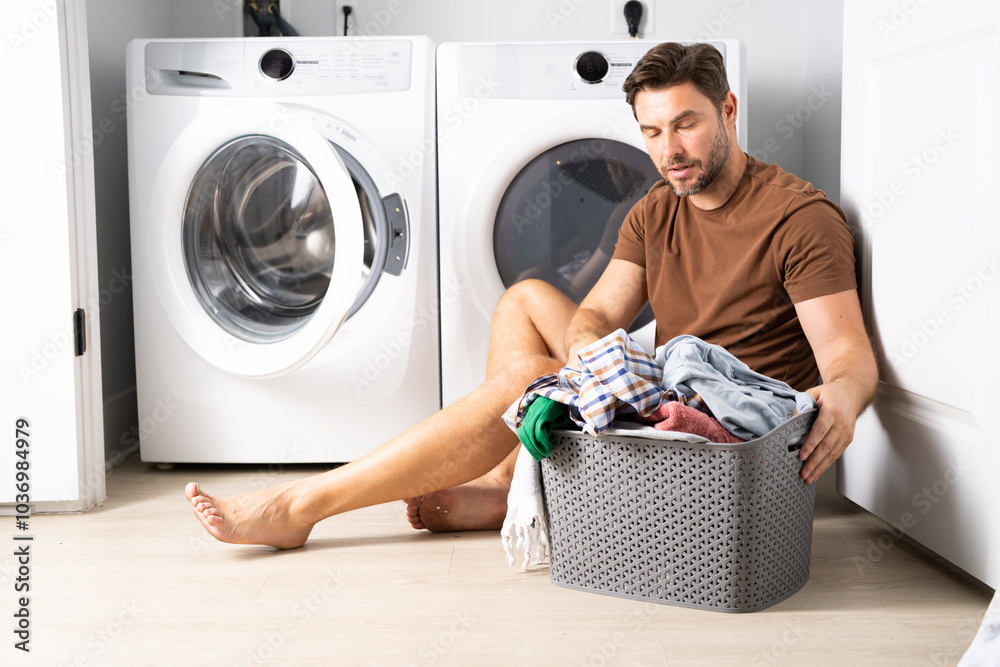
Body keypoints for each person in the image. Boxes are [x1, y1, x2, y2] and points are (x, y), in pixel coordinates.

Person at [186, 42, 878, 549]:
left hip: (711, 421)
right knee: (524, 297)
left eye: (687, 124)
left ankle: (305, 502)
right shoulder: (656, 207)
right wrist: (585, 351)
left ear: (728, 110)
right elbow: (600, 312)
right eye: (652, 131)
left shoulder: (797, 218)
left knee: (525, 378)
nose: (671, 150)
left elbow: (848, 357)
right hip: (665, 375)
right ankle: (503, 484)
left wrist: (842, 401)